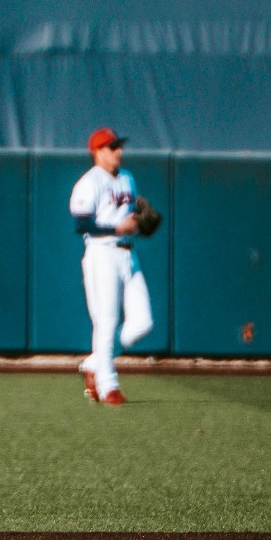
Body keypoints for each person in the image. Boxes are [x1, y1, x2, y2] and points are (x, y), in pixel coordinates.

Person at [70, 126, 153, 405]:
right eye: (112, 147)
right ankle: (108, 387)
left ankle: (94, 363)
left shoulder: (127, 178)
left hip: (129, 255)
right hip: (101, 255)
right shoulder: (89, 182)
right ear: (97, 152)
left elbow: (133, 215)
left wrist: (140, 222)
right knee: (105, 323)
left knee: (142, 323)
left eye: (119, 145)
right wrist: (117, 227)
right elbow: (82, 224)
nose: (118, 151)